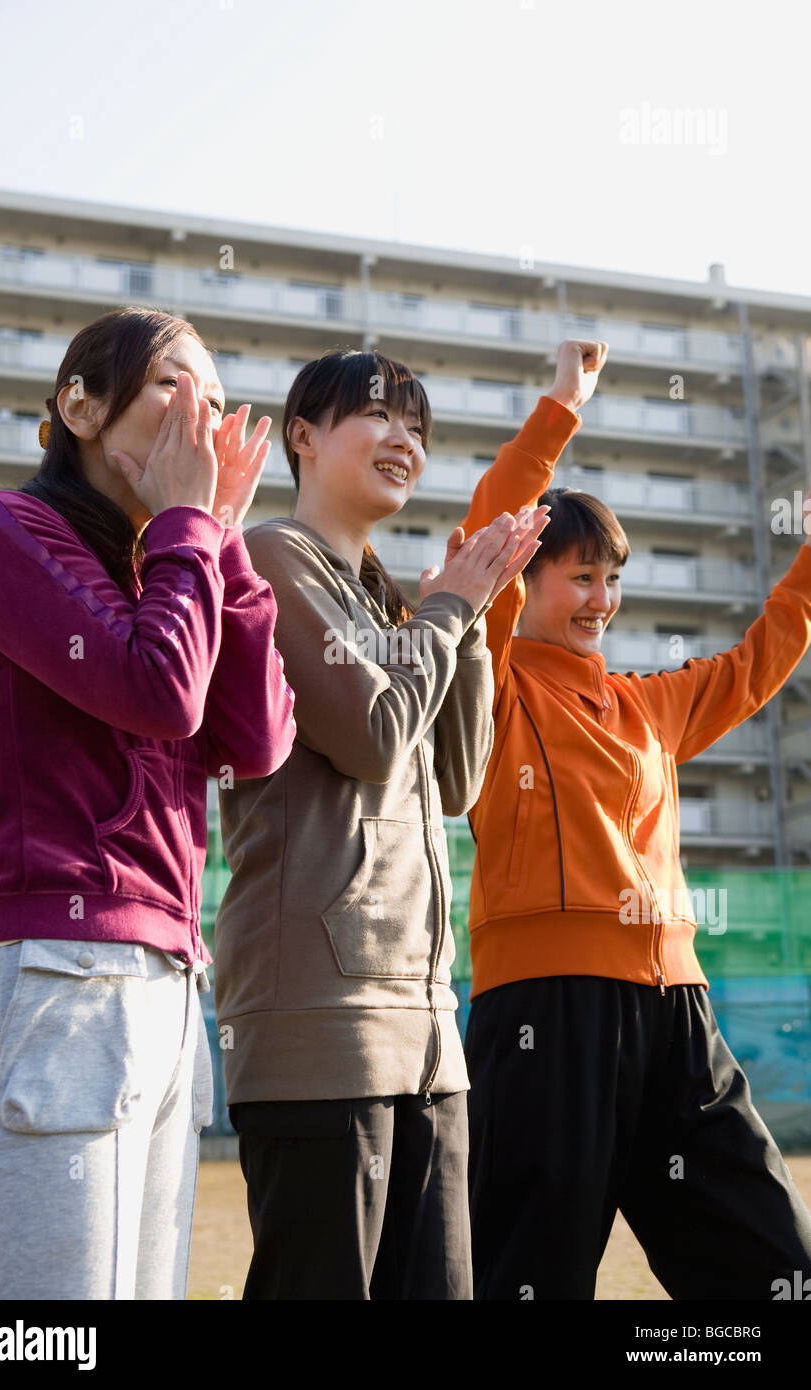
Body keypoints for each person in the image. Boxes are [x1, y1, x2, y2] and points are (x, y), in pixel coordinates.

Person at [0, 307, 295, 1300]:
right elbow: (157, 691)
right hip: (52, 978)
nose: (206, 425)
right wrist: (192, 529)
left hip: (171, 984)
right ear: (80, 406)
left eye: (222, 406)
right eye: (176, 388)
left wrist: (221, 544)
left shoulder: (169, 569)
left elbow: (256, 735)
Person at [460, 337, 811, 1300]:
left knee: (775, 1266)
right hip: (544, 1012)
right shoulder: (490, 682)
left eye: (611, 580)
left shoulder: (645, 703)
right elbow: (491, 522)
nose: (601, 601)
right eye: (579, 578)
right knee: (528, 1276)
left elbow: (751, 667)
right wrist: (560, 409)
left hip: (677, 1011)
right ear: (521, 581)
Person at [212, 347, 551, 1299]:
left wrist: (469, 620)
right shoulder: (275, 556)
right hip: (323, 1025)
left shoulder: (392, 596)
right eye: (382, 415)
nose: (406, 438)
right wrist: (448, 607)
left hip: (428, 1027)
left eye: (420, 428)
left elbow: (454, 777)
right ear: (304, 438)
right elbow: (370, 734)